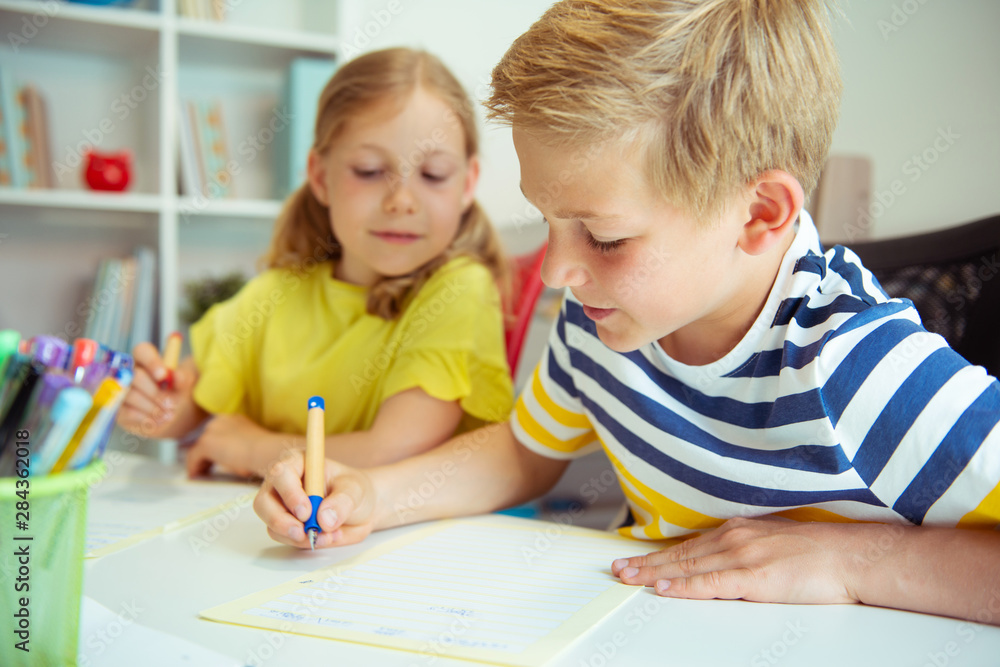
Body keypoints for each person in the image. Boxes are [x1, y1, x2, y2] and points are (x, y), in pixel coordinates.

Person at [253, 1, 1000, 624]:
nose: (555, 273)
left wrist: (852, 561)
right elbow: (523, 452)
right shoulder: (602, 318)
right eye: (548, 220)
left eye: (604, 237)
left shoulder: (857, 365)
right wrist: (372, 494)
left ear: (759, 214)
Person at [117, 48, 514, 479]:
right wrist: (154, 404)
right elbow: (184, 405)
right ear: (321, 177)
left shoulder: (461, 289)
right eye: (369, 171)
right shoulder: (275, 294)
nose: (401, 201)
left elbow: (393, 452)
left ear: (467, 184)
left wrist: (255, 449)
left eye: (433, 174)